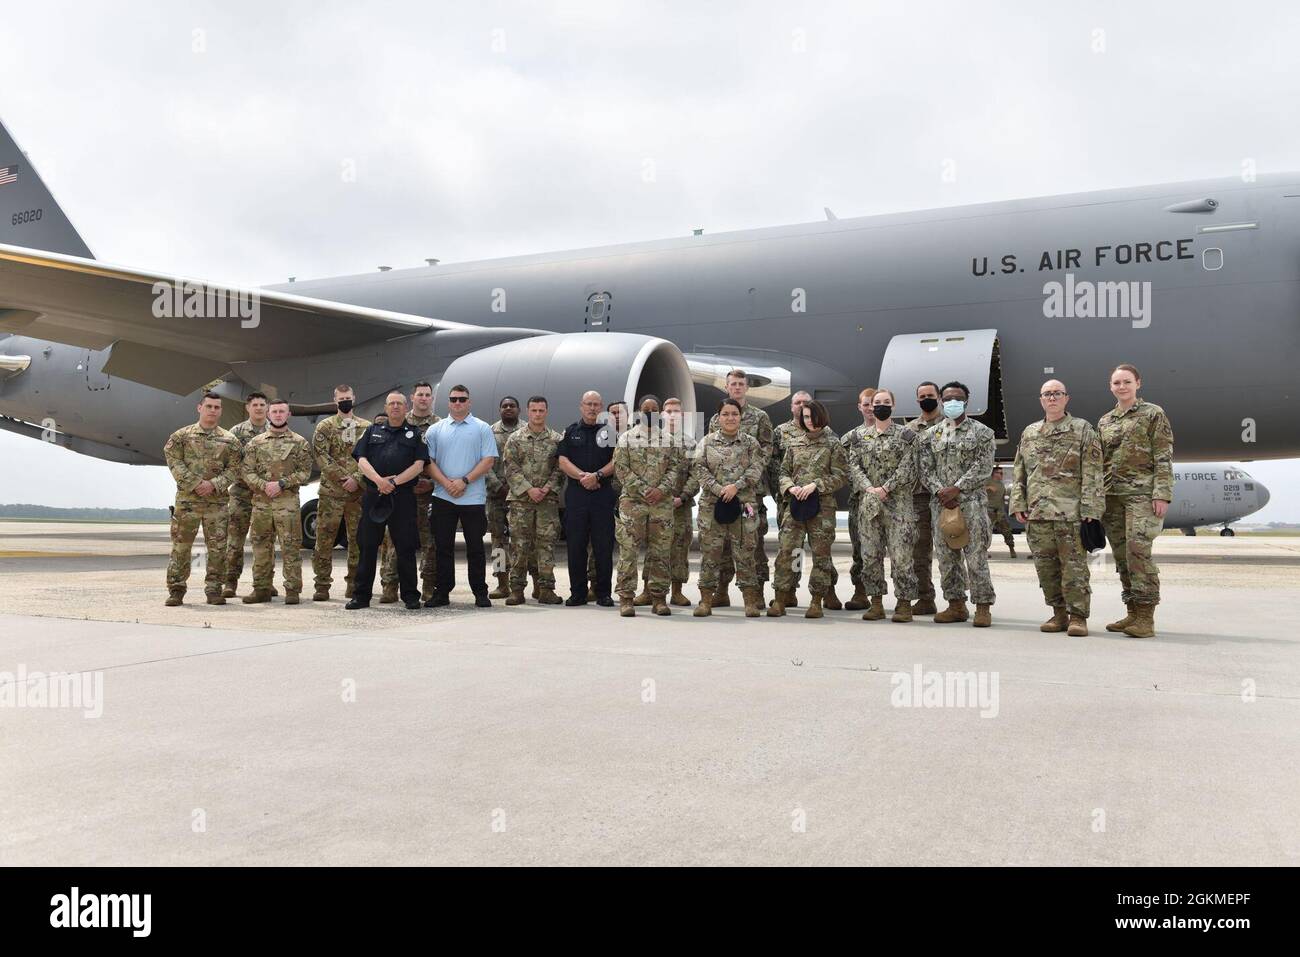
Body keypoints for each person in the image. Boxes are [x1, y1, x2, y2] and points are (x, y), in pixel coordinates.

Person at [1011, 379, 1104, 636]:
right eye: (1047, 394)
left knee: (1074, 567)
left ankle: (1078, 617)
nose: (1052, 398)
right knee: (1046, 568)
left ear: (1066, 398)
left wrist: (1091, 509)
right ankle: (1058, 614)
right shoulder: (1030, 433)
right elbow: (1020, 471)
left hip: (1071, 514)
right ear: (1041, 400)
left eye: (1057, 394)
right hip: (1038, 513)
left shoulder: (1082, 429)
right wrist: (1018, 502)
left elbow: (1093, 471)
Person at [1097, 364, 1174, 638]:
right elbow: (1101, 461)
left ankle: (1146, 618)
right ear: (1111, 387)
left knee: (1137, 552)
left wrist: (1162, 493)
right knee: (1121, 556)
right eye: (1116, 383)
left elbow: (1163, 454)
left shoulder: (1153, 413)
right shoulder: (1105, 421)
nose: (1122, 387)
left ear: (1138, 384)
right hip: (1112, 496)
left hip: (1142, 494)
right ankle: (1132, 613)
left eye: (1127, 382)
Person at [919, 381, 996, 626]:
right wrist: (940, 491)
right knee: (946, 558)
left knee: (976, 557)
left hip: (971, 504)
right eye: (948, 398)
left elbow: (983, 467)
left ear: (966, 401)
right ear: (941, 401)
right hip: (941, 505)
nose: (952, 402)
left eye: (958, 398)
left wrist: (957, 488)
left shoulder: (983, 432)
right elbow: (924, 469)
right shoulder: (931, 435)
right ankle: (955, 605)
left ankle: (982, 607)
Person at [346, 392, 430, 610]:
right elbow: (361, 459)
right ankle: (361, 596)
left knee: (405, 547)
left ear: (406, 407)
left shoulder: (415, 434)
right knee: (367, 546)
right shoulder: (372, 431)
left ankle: (410, 596)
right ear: (386, 407)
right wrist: (378, 481)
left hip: (402, 497)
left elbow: (420, 465)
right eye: (391, 403)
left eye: (399, 404)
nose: (395, 407)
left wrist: (394, 482)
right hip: (375, 495)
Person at [845, 389, 920, 622]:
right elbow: (853, 466)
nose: (881, 406)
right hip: (869, 506)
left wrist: (886, 488)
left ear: (894, 406)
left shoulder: (907, 436)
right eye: (877, 402)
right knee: (870, 556)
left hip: (899, 506)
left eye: (886, 402)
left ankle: (904, 604)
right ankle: (875, 602)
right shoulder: (859, 438)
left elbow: (909, 467)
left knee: (902, 557)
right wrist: (869, 488)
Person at [770, 399, 846, 618]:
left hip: (822, 508)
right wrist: (790, 488)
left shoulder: (833, 444)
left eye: (812, 416)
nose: (809, 421)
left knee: (821, 555)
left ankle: (816, 601)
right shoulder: (794, 444)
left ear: (821, 416)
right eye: (805, 417)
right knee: (786, 552)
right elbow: (783, 473)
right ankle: (781, 598)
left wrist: (816, 485)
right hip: (794, 506)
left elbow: (841, 476)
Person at [424, 384, 498, 608]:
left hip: (473, 498)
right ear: (448, 402)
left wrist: (464, 481)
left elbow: (488, 460)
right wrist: (447, 483)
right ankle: (442, 592)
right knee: (443, 547)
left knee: (475, 548)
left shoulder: (482, 428)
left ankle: (480, 592)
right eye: (454, 399)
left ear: (469, 402)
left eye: (462, 399)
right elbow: (429, 463)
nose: (458, 403)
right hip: (443, 497)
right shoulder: (435, 429)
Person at [163, 392, 240, 606]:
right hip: (188, 502)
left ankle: (214, 590)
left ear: (221, 411)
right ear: (199, 408)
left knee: (217, 548)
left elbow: (235, 469)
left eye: (217, 407)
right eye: (209, 406)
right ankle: (176, 590)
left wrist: (214, 484)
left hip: (216, 503)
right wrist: (195, 483)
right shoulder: (182, 436)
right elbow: (174, 460)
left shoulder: (230, 440)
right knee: (181, 547)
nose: (213, 410)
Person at [691, 398, 766, 617]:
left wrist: (736, 486)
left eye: (734, 413)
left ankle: (750, 602)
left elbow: (756, 469)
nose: (730, 418)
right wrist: (718, 488)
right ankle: (706, 600)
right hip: (712, 506)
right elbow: (699, 468)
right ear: (718, 417)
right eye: (725, 414)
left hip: (743, 505)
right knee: (711, 554)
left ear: (740, 416)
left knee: (745, 553)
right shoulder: (707, 442)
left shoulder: (751, 443)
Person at [707, 369, 774, 607]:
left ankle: (757, 593)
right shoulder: (717, 418)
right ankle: (721, 590)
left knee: (752, 542)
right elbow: (710, 453)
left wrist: (745, 477)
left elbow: (766, 451)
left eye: (740, 384)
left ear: (747, 387)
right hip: (724, 493)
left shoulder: (760, 417)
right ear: (727, 387)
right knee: (723, 545)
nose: (737, 387)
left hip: (749, 495)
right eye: (733, 384)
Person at [240, 399, 313, 604]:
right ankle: (261, 589)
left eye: (282, 411)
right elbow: (247, 471)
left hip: (287, 503)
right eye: (275, 411)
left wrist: (282, 483)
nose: (278, 415)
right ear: (268, 415)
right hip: (262, 503)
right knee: (261, 546)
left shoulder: (299, 442)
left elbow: (304, 472)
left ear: (288, 415)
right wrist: (264, 485)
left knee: (290, 547)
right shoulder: (256, 443)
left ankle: (292, 590)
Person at [613, 394, 676, 617]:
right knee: (628, 552)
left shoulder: (668, 440)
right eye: (645, 409)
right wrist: (643, 489)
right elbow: (621, 468)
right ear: (639, 412)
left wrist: (660, 490)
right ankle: (626, 599)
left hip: (661, 504)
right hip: (633, 503)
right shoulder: (626, 439)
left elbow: (674, 469)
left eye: (654, 409)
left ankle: (658, 598)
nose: (649, 412)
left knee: (660, 552)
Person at [379, 382, 441, 602]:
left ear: (431, 399)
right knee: (394, 541)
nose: (423, 398)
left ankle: (428, 586)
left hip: (429, 493)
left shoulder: (439, 426)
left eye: (427, 395)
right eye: (419, 395)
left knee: (429, 542)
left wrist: (432, 484)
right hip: (401, 492)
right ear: (411, 398)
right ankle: (390, 585)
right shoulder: (400, 423)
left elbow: (442, 461)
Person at [502, 396, 565, 606]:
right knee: (519, 546)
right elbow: (510, 468)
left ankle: (546, 589)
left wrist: (545, 489)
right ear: (528, 412)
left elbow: (559, 469)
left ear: (546, 412)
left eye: (541, 410)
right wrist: (529, 490)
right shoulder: (515, 438)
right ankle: (516, 589)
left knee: (545, 546)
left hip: (547, 502)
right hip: (521, 502)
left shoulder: (556, 439)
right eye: (534, 410)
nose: (538, 414)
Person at [558, 391, 618, 606]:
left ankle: (603, 593)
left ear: (601, 407)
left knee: (603, 546)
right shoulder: (571, 431)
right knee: (576, 545)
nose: (592, 408)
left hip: (602, 494)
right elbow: (563, 461)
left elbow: (616, 461)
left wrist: (597, 475)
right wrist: (583, 477)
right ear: (581, 406)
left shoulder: (609, 432)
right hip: (577, 496)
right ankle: (578, 593)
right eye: (588, 404)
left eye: (596, 404)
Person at [311, 385, 370, 601]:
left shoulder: (366, 427)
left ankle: (354, 584)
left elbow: (370, 456)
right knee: (324, 540)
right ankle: (322, 585)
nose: (345, 401)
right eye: (341, 398)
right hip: (331, 494)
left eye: (348, 397)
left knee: (357, 541)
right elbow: (321, 456)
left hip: (358, 494)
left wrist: (357, 478)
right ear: (334, 400)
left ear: (354, 398)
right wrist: (343, 477)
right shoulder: (325, 427)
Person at [223, 392, 270, 598]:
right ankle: (230, 582)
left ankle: (265, 582)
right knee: (235, 541)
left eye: (262, 404)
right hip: (241, 493)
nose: (259, 408)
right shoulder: (237, 432)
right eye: (255, 405)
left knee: (265, 540)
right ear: (248, 407)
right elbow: (232, 462)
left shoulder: (275, 430)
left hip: (266, 495)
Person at [906, 381, 944, 615]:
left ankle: (955, 599)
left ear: (938, 397)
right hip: (919, 496)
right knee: (919, 551)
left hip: (945, 497)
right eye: (922, 396)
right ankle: (925, 598)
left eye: (930, 395)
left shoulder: (950, 424)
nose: (926, 399)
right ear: (917, 400)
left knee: (950, 548)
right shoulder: (909, 429)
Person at [839, 387, 879, 610]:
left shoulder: (898, 434)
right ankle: (861, 592)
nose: (871, 408)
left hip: (890, 500)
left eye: (874, 403)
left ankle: (905, 597)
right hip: (860, 503)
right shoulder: (850, 439)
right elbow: (838, 467)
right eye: (866, 404)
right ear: (860, 407)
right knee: (860, 551)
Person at [660, 397, 697, 606]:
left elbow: (696, 475)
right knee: (656, 549)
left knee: (680, 548)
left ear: (682, 415)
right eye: (669, 411)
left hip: (681, 506)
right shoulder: (652, 440)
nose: (672, 414)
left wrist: (682, 497)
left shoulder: (690, 443)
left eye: (676, 411)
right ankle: (651, 590)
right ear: (662, 415)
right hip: (657, 505)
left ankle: (677, 591)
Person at [485, 396, 522, 599]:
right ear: (500, 409)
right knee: (499, 542)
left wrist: (517, 487)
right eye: (504, 406)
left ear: (518, 409)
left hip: (521, 496)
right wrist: (498, 486)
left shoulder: (527, 429)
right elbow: (484, 462)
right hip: (496, 495)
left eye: (512, 406)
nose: (508, 408)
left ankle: (527, 583)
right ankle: (502, 583)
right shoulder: (490, 432)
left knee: (524, 541)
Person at [985, 466, 1017, 557]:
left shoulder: (1001, 484)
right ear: (994, 473)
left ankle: (1012, 549)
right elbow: (978, 489)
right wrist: (988, 487)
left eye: (1002, 473)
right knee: (986, 532)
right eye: (1000, 473)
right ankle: (984, 552)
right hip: (989, 510)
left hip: (999, 511)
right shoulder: (988, 481)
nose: (1002, 475)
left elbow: (1002, 498)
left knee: (1007, 530)